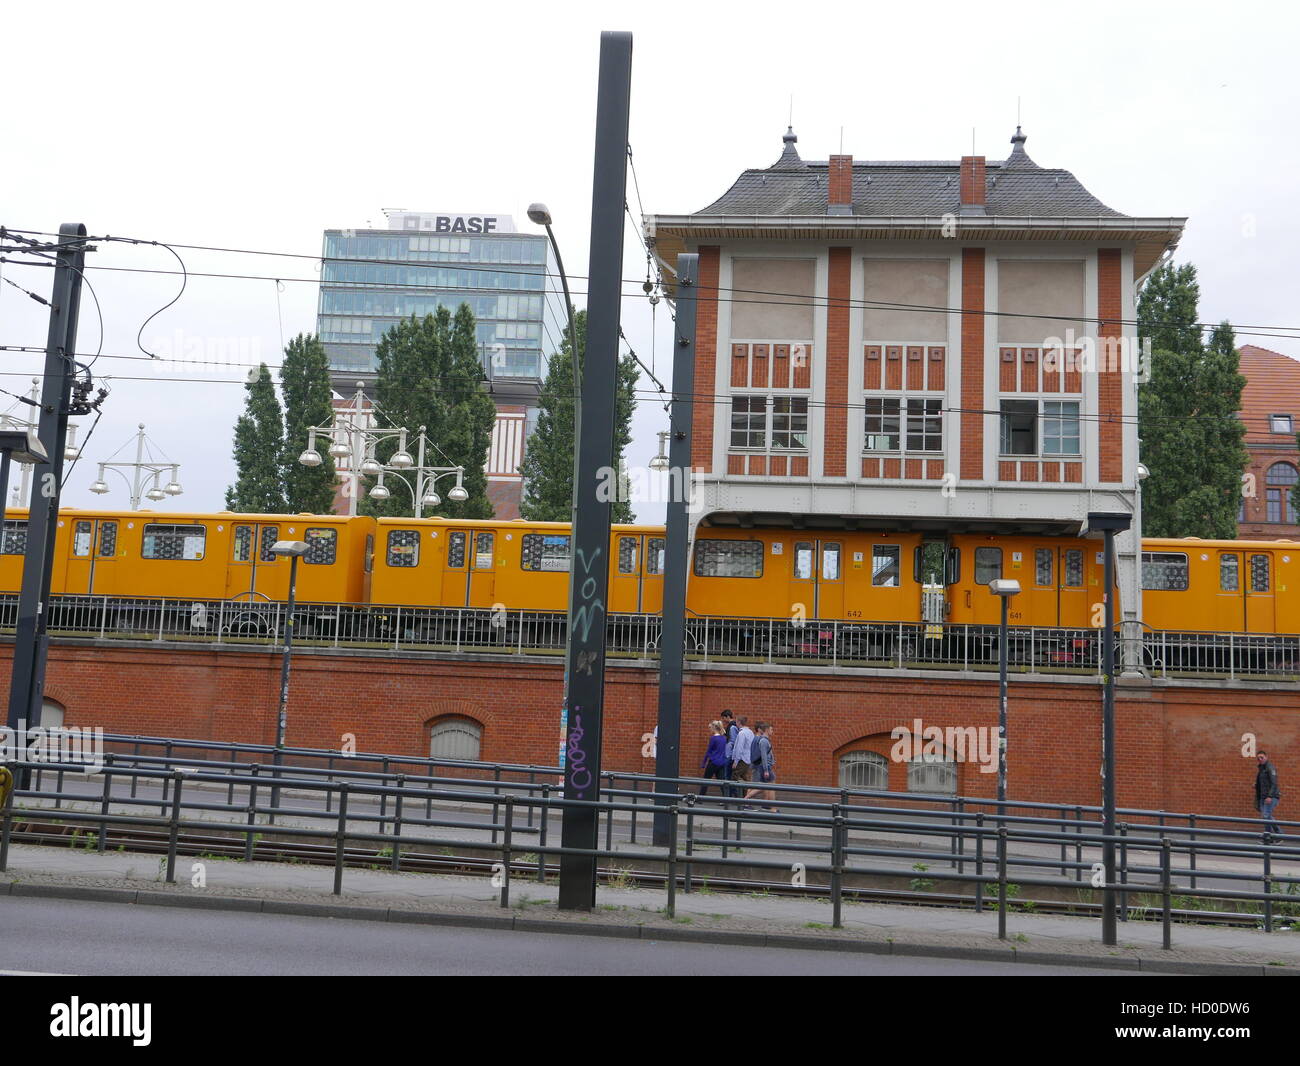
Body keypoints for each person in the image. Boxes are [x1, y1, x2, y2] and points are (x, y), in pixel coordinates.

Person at [744, 723, 777, 811]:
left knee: (765, 785)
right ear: (766, 730)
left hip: (760, 765)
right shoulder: (762, 740)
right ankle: (746, 801)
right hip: (761, 766)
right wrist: (766, 769)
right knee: (763, 786)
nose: (772, 732)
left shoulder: (761, 739)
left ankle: (768, 805)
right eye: (771, 730)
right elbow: (763, 755)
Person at [1255, 751, 1282, 837]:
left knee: (1266, 816)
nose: (1260, 759)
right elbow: (1263, 782)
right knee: (1266, 816)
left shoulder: (1270, 767)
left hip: (1271, 797)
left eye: (1262, 757)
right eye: (1258, 758)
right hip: (1263, 797)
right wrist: (1256, 785)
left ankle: (1271, 837)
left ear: (1266, 757)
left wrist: (1270, 796)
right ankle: (1276, 835)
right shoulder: (1261, 768)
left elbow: (1274, 783)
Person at [700, 721, 727, 795]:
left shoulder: (713, 738)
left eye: (710, 728)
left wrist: (703, 763)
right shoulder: (724, 738)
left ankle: (701, 797)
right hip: (721, 762)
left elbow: (709, 751)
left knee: (706, 780)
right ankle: (727, 798)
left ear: (714, 728)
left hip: (713, 762)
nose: (710, 729)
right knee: (722, 782)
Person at [731, 716, 755, 790]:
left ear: (739, 722)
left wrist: (736, 761)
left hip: (742, 759)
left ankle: (746, 792)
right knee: (744, 776)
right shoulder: (750, 732)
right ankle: (746, 796)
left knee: (735, 776)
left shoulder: (742, 733)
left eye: (736, 722)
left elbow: (739, 748)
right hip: (748, 758)